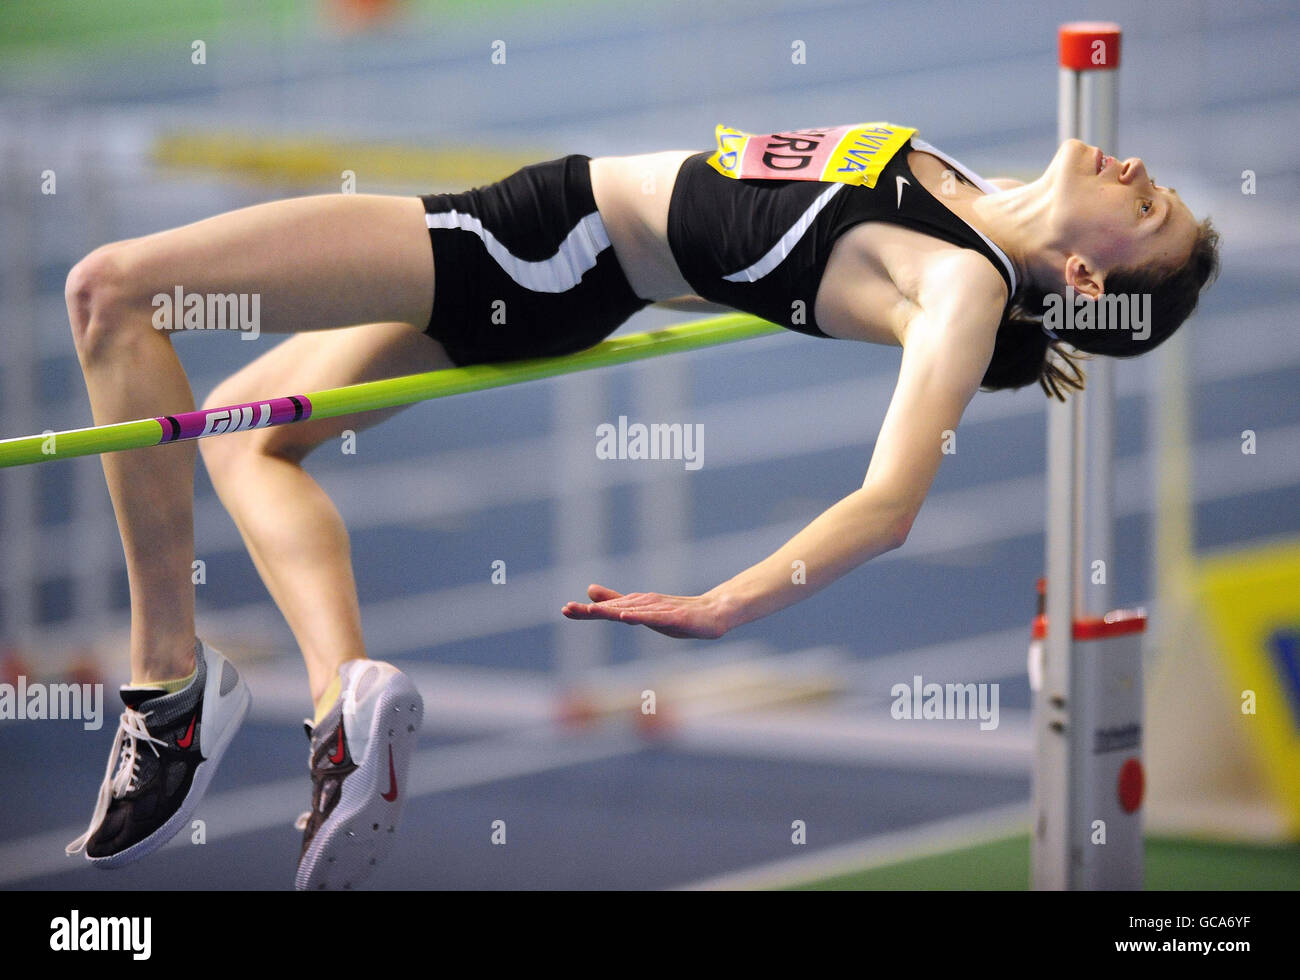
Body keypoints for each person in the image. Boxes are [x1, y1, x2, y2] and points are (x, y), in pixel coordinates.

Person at [60, 121, 1219, 889]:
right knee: (252, 432)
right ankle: (342, 696)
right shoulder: (965, 192)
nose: (1136, 172)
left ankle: (166, 692)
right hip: (556, 255)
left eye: (1150, 206)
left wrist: (727, 602)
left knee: (112, 291)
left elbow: (888, 500)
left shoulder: (962, 284)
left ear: (1085, 279)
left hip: (531, 247)